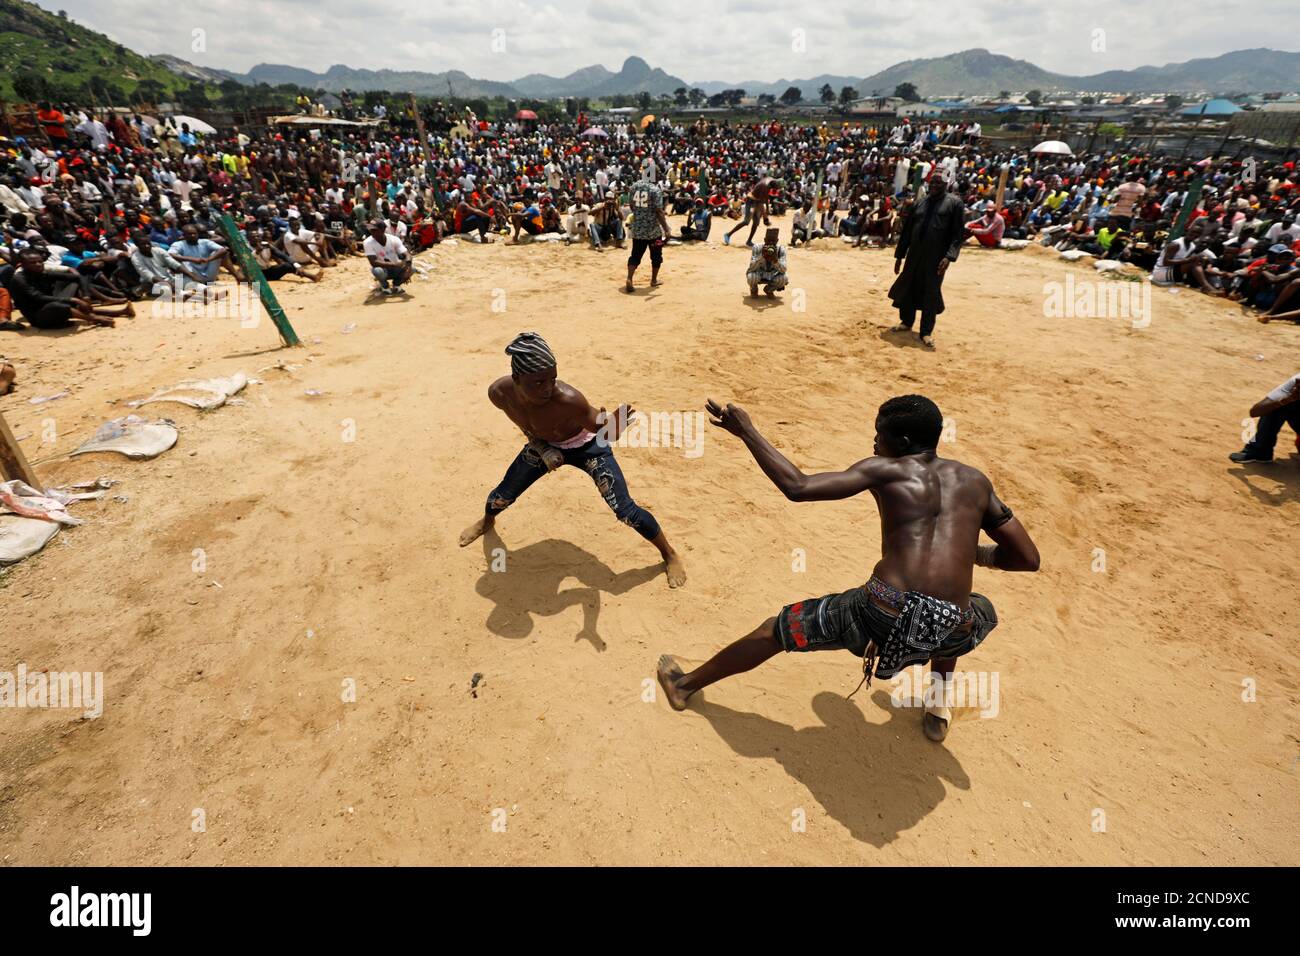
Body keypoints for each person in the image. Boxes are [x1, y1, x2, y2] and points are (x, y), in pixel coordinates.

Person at [657, 394, 1039, 741]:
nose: (874, 442)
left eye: (879, 434)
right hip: (951, 629)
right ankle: (937, 709)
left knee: (778, 629)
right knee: (960, 608)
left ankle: (684, 685)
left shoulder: (884, 470)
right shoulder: (975, 481)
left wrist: (747, 432)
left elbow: (799, 487)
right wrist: (976, 554)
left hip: (880, 613)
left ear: (903, 444)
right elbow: (1027, 559)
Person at [458, 333, 686, 589]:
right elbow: (524, 422)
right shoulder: (499, 393)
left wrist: (614, 427)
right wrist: (541, 446)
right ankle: (488, 521)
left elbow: (603, 431)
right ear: (517, 379)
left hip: (588, 445)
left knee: (626, 511)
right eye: (539, 382)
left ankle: (669, 553)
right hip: (544, 445)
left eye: (553, 378)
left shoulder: (567, 399)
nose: (548, 387)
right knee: (501, 496)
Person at [887, 176, 966, 349]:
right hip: (914, 255)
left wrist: (949, 257)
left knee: (931, 292)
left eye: (939, 183)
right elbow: (907, 231)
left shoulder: (954, 204)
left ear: (946, 185)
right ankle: (906, 322)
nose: (935, 186)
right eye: (933, 183)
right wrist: (899, 256)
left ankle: (926, 332)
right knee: (909, 286)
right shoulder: (919, 203)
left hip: (936, 258)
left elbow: (958, 234)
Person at [8, 249, 132, 329]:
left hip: (50, 305)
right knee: (60, 305)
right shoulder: (19, 279)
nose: (38, 264)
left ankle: (121, 312)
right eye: (33, 263)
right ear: (23, 265)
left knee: (72, 284)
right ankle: (93, 319)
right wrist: (74, 300)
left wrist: (86, 296)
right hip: (39, 317)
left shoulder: (41, 273)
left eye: (40, 261)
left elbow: (78, 278)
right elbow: (38, 298)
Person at [1229, 372, 1300, 464]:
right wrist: (1288, 399)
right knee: (1275, 405)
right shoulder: (1296, 382)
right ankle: (1260, 451)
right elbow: (1255, 412)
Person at [625, 165, 669, 293]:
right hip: (653, 231)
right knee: (656, 255)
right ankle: (654, 280)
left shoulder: (634, 187)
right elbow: (659, 212)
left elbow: (632, 207)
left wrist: (640, 215)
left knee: (635, 255)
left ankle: (629, 278)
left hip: (638, 229)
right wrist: (666, 229)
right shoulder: (655, 190)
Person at [724, 175, 778, 247]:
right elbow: (763, 200)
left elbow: (765, 198)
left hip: (757, 201)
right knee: (746, 221)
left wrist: (766, 215)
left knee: (755, 223)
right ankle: (728, 234)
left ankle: (749, 241)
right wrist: (766, 216)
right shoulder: (765, 186)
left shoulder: (770, 181)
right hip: (751, 201)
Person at [363, 220, 412, 295]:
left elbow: (407, 254)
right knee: (377, 271)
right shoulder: (367, 242)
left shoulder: (394, 239)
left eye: (374, 230)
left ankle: (397, 285)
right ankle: (384, 286)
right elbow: (373, 262)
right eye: (370, 230)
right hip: (383, 269)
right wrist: (394, 264)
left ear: (383, 230)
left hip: (396, 268)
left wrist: (408, 266)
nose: (371, 232)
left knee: (412, 269)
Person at [746, 227, 788, 297]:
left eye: (773, 241)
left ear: (777, 241)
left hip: (773, 274)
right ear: (764, 240)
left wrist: (775, 260)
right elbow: (751, 268)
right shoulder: (757, 247)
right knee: (751, 277)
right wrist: (762, 257)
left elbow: (784, 270)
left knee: (784, 279)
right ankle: (754, 289)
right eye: (768, 240)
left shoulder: (781, 249)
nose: (771, 243)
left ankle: (769, 289)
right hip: (759, 273)